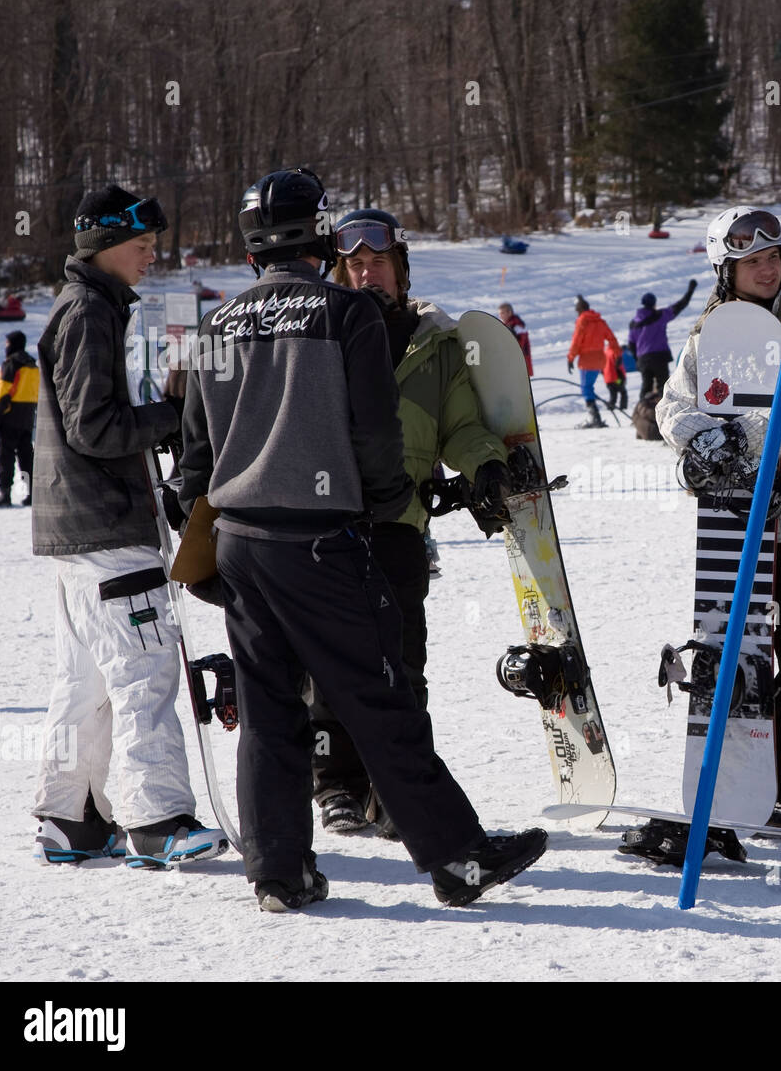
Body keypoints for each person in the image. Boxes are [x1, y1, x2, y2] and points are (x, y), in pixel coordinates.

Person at [179, 168, 544, 911]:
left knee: (270, 710)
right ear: (320, 234)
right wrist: (380, 513)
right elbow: (376, 440)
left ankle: (279, 873)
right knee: (381, 697)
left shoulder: (215, 326)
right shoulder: (346, 315)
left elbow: (193, 463)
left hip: (244, 539)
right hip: (325, 539)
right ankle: (457, 858)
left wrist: (210, 555)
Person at [629, 205, 781, 889]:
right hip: (735, 516)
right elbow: (674, 403)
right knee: (736, 658)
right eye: (751, 261)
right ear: (725, 268)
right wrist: (696, 436)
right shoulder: (710, 330)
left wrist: (735, 436)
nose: (768, 269)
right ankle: (734, 789)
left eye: (773, 257)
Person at [30, 185, 226, 868]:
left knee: (85, 682)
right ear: (105, 245)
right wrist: (173, 414)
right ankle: (158, 821)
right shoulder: (89, 311)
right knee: (144, 675)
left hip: (76, 530)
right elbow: (97, 427)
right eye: (141, 246)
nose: (151, 257)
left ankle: (71, 818)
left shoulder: (85, 306)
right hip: (108, 528)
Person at [310, 207, 513, 838]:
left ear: (401, 269)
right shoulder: (317, 335)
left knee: (404, 661)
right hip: (330, 519)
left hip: (400, 522)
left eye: (379, 263)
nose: (368, 273)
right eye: (355, 264)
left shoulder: (435, 343)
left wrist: (486, 468)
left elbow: (462, 426)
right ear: (341, 273)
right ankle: (337, 784)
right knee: (333, 665)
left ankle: (394, 790)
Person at [0, 330, 38, 506]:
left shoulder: (11, 363)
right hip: (27, 417)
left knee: (5, 458)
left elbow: (4, 393)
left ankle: (5, 493)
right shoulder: (32, 364)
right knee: (26, 458)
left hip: (10, 416)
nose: (5, 346)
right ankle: (29, 493)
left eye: (7, 343)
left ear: (14, 344)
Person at [628, 281, 698, 397]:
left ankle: (642, 411)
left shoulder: (634, 323)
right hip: (659, 357)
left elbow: (631, 344)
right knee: (664, 387)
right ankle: (663, 412)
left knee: (646, 387)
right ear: (654, 304)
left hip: (643, 359)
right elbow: (679, 306)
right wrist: (690, 291)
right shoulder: (659, 315)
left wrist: (638, 360)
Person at [566, 295, 622, 428]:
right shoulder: (599, 321)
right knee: (589, 387)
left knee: (586, 388)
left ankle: (594, 418)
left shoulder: (582, 321)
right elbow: (612, 338)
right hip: (599, 360)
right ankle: (595, 417)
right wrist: (617, 354)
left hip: (587, 359)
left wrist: (570, 358)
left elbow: (576, 342)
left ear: (580, 309)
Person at [497, 302, 533, 376]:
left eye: (502, 313)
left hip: (520, 363)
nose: (500, 315)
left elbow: (520, 345)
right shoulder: (507, 326)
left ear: (509, 312)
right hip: (512, 362)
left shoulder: (517, 326)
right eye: (500, 313)